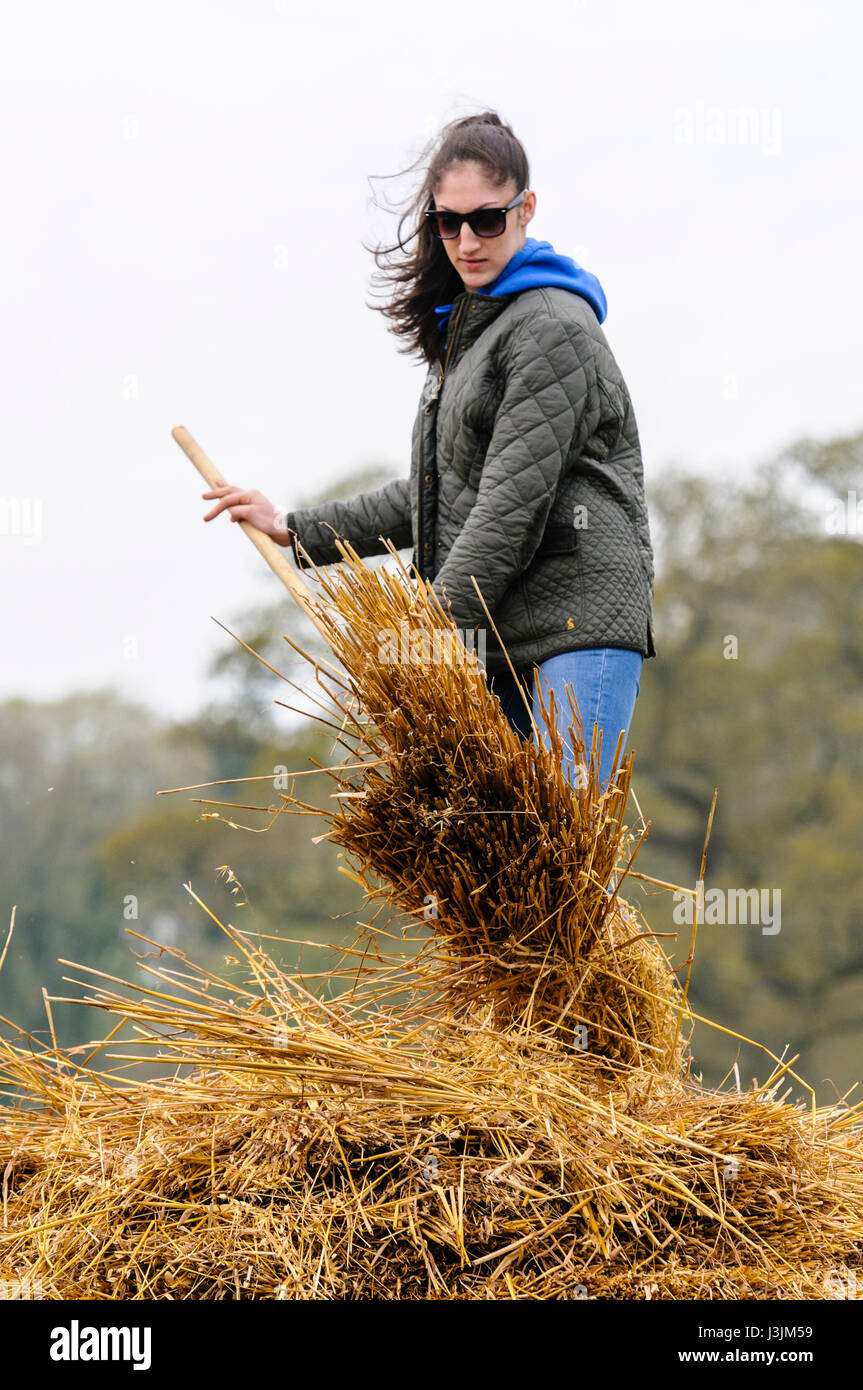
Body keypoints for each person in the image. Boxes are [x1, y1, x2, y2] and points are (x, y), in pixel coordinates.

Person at [202, 110, 656, 794]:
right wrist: (295, 528)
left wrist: (427, 637)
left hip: (577, 621)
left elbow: (509, 503)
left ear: (525, 209)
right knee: (498, 862)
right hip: (498, 623)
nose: (465, 240)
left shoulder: (552, 328)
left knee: (561, 844)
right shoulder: (472, 338)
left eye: (486, 219)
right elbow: (439, 493)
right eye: (447, 223)